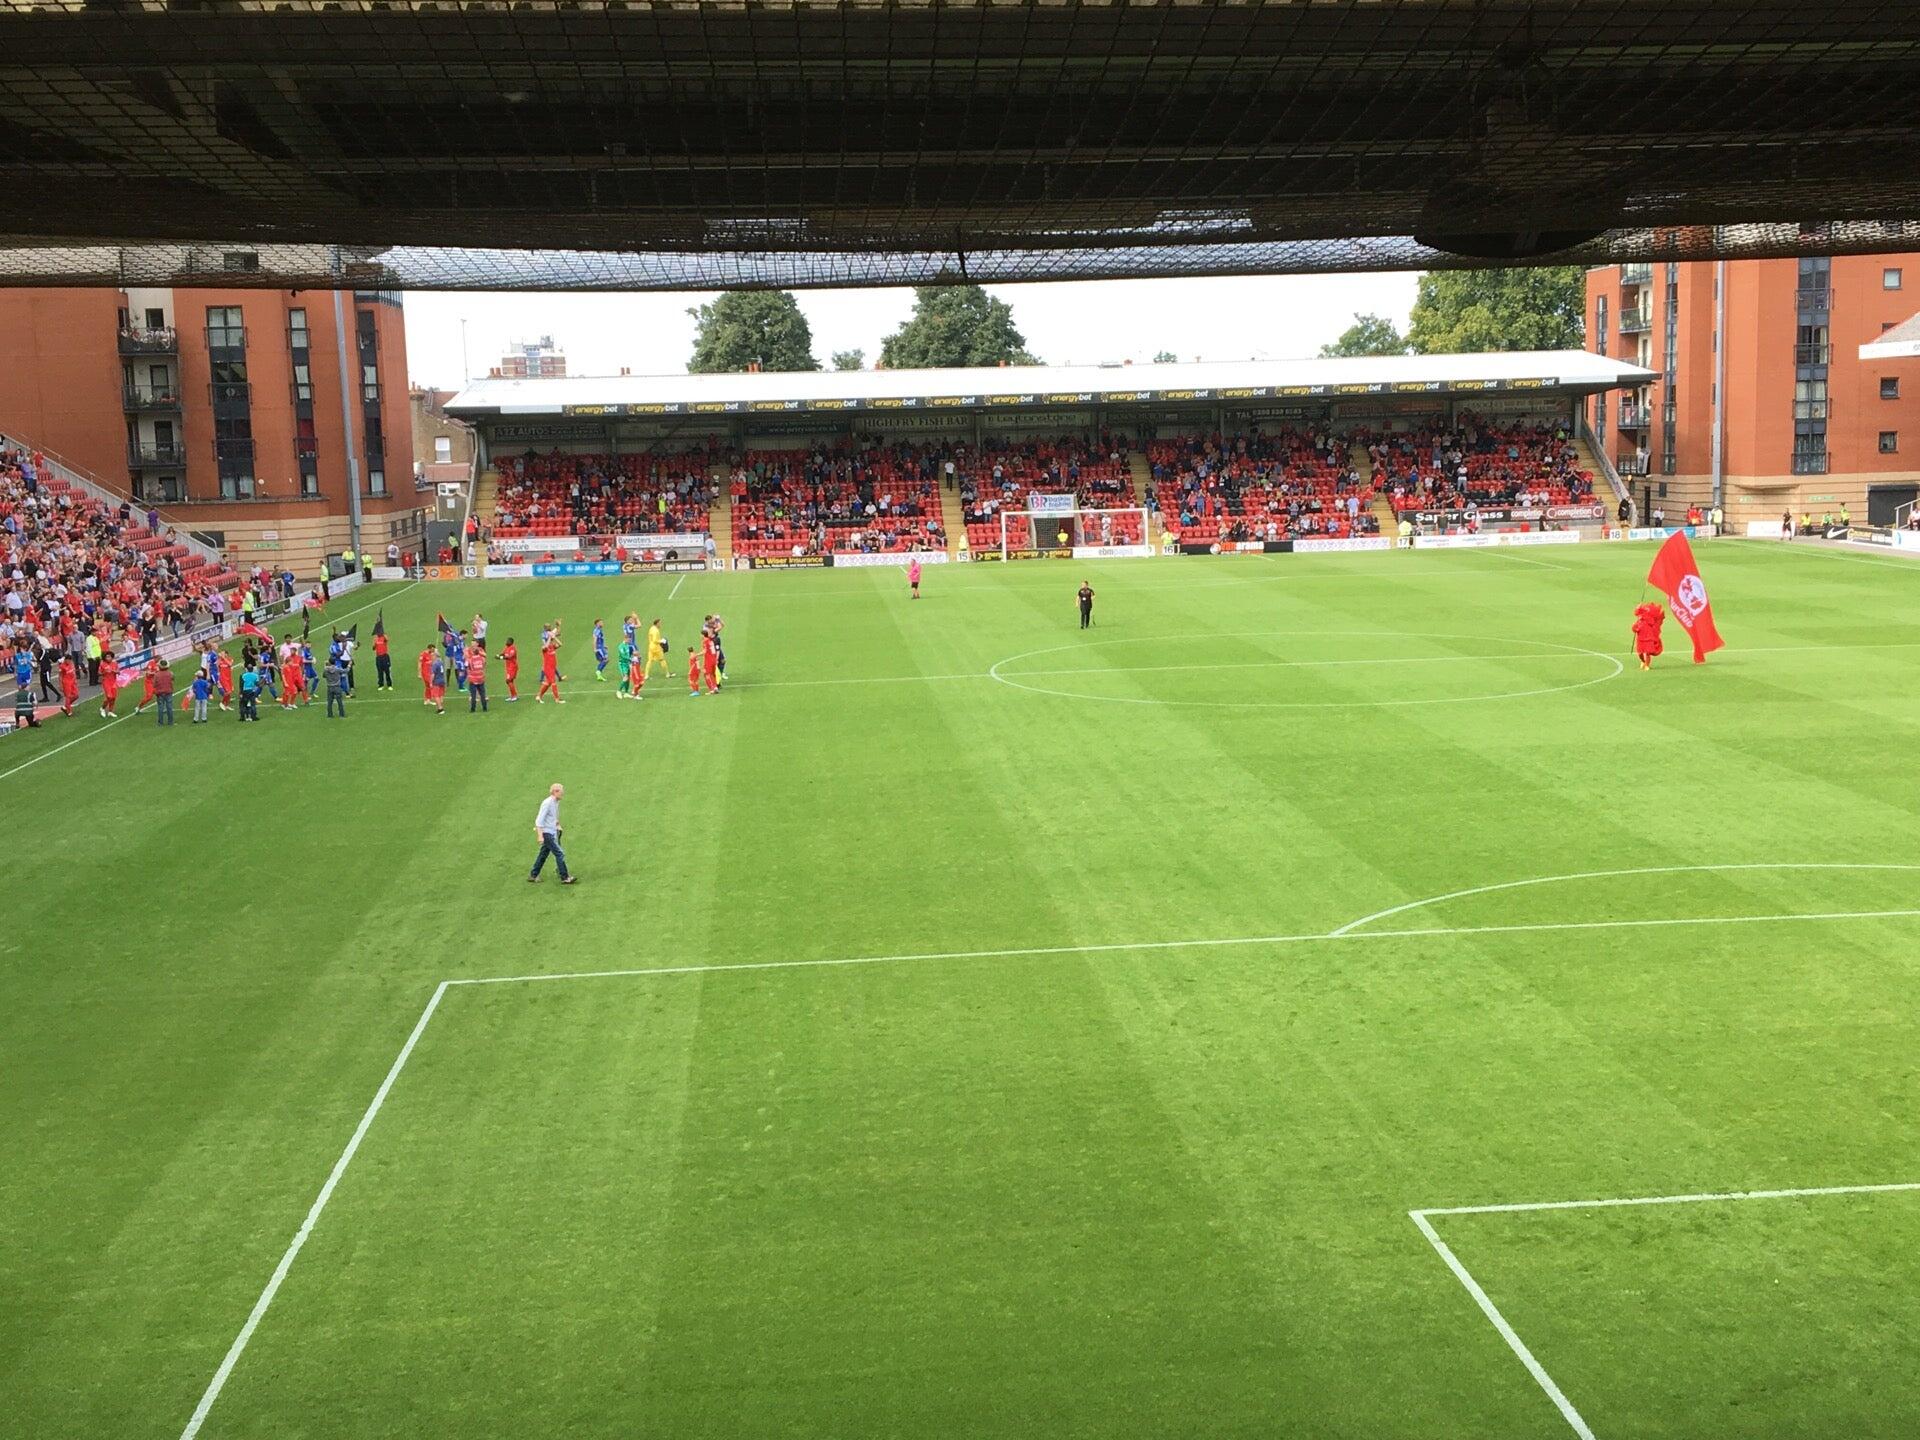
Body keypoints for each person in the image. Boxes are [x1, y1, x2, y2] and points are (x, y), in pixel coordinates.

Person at [529, 783, 575, 884]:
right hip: (547, 833)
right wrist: (540, 836)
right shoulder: (547, 803)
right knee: (559, 853)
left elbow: (552, 817)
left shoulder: (555, 802)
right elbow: (539, 820)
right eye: (561, 791)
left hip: (552, 831)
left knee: (543, 854)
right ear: (555, 792)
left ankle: (533, 874)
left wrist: (557, 824)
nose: (563, 793)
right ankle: (565, 877)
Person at [1632, 601, 1666, 671]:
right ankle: (1643, 661)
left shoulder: (1651, 621)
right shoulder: (1639, 622)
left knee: (1647, 653)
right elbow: (1634, 629)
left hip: (1649, 639)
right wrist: (1634, 627)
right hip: (1641, 640)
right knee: (1640, 653)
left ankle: (1647, 665)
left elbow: (1655, 623)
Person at [536, 630, 563, 703]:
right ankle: (557, 699)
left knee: (547, 683)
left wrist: (554, 638)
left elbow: (560, 644)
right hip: (548, 668)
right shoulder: (544, 648)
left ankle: (539, 696)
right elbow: (545, 646)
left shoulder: (552, 646)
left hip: (552, 668)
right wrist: (549, 638)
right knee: (553, 683)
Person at [466, 641, 488, 712]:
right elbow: (484, 664)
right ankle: (484, 708)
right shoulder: (482, 659)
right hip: (481, 678)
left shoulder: (470, 660)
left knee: (473, 695)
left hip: (473, 679)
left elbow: (467, 666)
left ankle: (473, 709)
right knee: (482, 694)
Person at [152, 660, 175, 726]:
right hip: (168, 692)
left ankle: (160, 723)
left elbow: (154, 684)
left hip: (159, 693)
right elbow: (173, 679)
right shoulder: (170, 673)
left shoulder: (156, 675)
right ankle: (170, 722)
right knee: (169, 707)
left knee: (160, 708)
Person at [99, 650, 121, 718]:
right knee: (109, 697)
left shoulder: (115, 663)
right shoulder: (102, 664)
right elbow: (99, 673)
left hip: (113, 682)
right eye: (107, 657)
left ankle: (110, 711)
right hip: (106, 682)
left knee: (113, 698)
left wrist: (115, 671)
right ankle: (102, 708)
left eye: (109, 657)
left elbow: (118, 672)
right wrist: (104, 672)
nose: (108, 658)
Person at [616, 634, 638, 700]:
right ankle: (619, 691)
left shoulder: (627, 645)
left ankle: (626, 693)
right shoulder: (621, 646)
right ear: (625, 638)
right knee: (625, 677)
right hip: (622, 664)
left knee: (628, 679)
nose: (629, 641)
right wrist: (631, 659)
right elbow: (623, 656)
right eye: (629, 639)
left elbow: (629, 654)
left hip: (627, 664)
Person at [428, 649, 447, 715]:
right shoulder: (440, 662)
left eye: (432, 656)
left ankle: (440, 709)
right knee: (441, 695)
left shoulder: (435, 664)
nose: (431, 657)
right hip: (442, 680)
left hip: (436, 682)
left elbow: (432, 674)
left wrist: (430, 682)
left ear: (435, 656)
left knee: (436, 696)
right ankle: (441, 705)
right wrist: (437, 651)